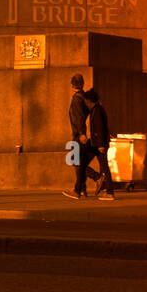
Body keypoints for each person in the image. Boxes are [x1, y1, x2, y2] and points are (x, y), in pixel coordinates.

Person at [63, 72, 100, 200]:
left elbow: (78, 118)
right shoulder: (84, 97)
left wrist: (81, 133)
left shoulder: (77, 99)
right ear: (82, 84)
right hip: (81, 133)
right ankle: (82, 188)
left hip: (78, 134)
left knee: (75, 160)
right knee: (78, 160)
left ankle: (96, 178)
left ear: (72, 85)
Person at [84, 89, 115, 199]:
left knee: (104, 167)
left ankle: (109, 192)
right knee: (102, 166)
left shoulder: (97, 110)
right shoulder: (96, 109)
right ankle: (100, 180)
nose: (85, 103)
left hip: (98, 144)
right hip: (96, 143)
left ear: (89, 100)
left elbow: (100, 128)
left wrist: (101, 144)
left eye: (85, 101)